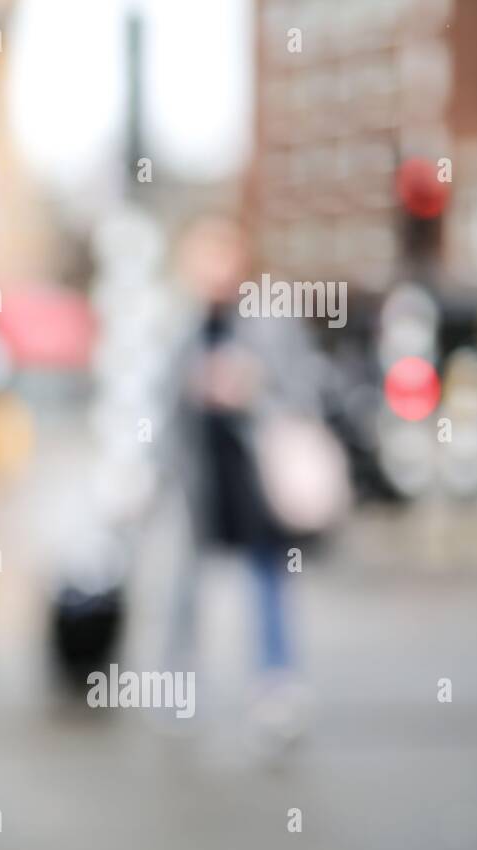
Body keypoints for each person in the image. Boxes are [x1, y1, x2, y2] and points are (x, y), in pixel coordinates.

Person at [163, 216, 318, 750]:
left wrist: (249, 387)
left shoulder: (269, 317)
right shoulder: (182, 324)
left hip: (256, 475)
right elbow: (163, 407)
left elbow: (304, 389)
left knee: (267, 576)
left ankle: (277, 684)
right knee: (183, 583)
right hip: (201, 476)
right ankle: (177, 684)